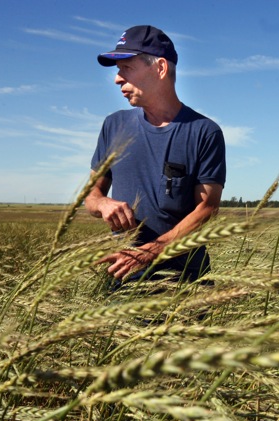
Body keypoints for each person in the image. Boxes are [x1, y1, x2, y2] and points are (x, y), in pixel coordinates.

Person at [85, 25, 226, 284]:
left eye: (126, 67)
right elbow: (91, 196)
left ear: (160, 68)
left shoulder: (204, 132)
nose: (117, 79)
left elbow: (207, 209)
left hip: (186, 284)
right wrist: (103, 203)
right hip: (123, 281)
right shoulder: (113, 126)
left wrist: (149, 253)